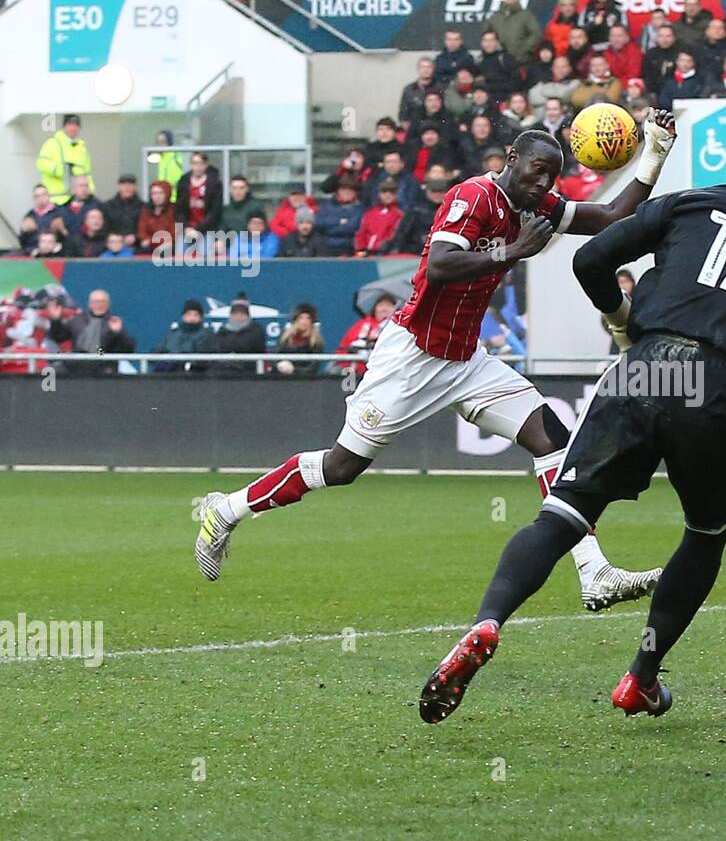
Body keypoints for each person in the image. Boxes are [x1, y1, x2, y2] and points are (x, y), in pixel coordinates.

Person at [415, 124, 726, 723]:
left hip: (646, 368)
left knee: (563, 515)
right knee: (704, 537)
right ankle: (641, 678)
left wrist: (623, 318)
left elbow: (592, 257)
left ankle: (486, 624)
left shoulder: (691, 203)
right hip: (724, 389)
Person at [195, 113, 681, 619]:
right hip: (414, 356)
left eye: (551, 177)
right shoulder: (473, 197)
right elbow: (440, 267)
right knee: (342, 467)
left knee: (551, 436)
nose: (544, 184)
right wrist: (513, 251)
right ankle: (224, 509)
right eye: (536, 171)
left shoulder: (535, 206)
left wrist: (655, 152)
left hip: (468, 361)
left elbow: (608, 215)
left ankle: (592, 569)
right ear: (510, 159)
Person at [37, 115, 94, 206]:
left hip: (77, 200)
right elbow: (41, 163)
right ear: (64, 127)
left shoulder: (82, 148)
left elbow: (86, 173)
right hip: (56, 199)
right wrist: (62, 170)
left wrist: (90, 191)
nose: (73, 128)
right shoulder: (52, 143)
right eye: (70, 125)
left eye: (76, 125)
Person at [153, 298, 214, 374]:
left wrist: (187, 365)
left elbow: (204, 358)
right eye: (188, 314)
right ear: (183, 316)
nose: (192, 318)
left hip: (196, 377)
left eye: (195, 315)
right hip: (170, 376)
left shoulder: (207, 335)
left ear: (201, 318)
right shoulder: (172, 334)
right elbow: (157, 352)